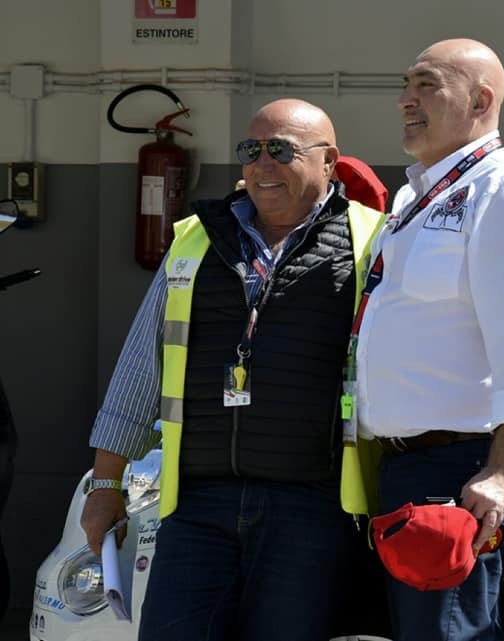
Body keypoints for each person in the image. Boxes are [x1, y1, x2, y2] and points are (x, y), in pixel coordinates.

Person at [79, 98, 388, 641]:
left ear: (329, 161)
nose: (262, 164)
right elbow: (139, 367)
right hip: (199, 506)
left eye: (281, 150)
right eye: (251, 149)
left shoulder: (375, 241)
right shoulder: (197, 240)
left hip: (311, 507)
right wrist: (106, 483)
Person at [352, 38, 504, 641]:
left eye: (427, 85)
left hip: (463, 468)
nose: (405, 100)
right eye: (406, 85)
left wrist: (501, 473)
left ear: (481, 99)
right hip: (408, 467)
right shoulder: (417, 199)